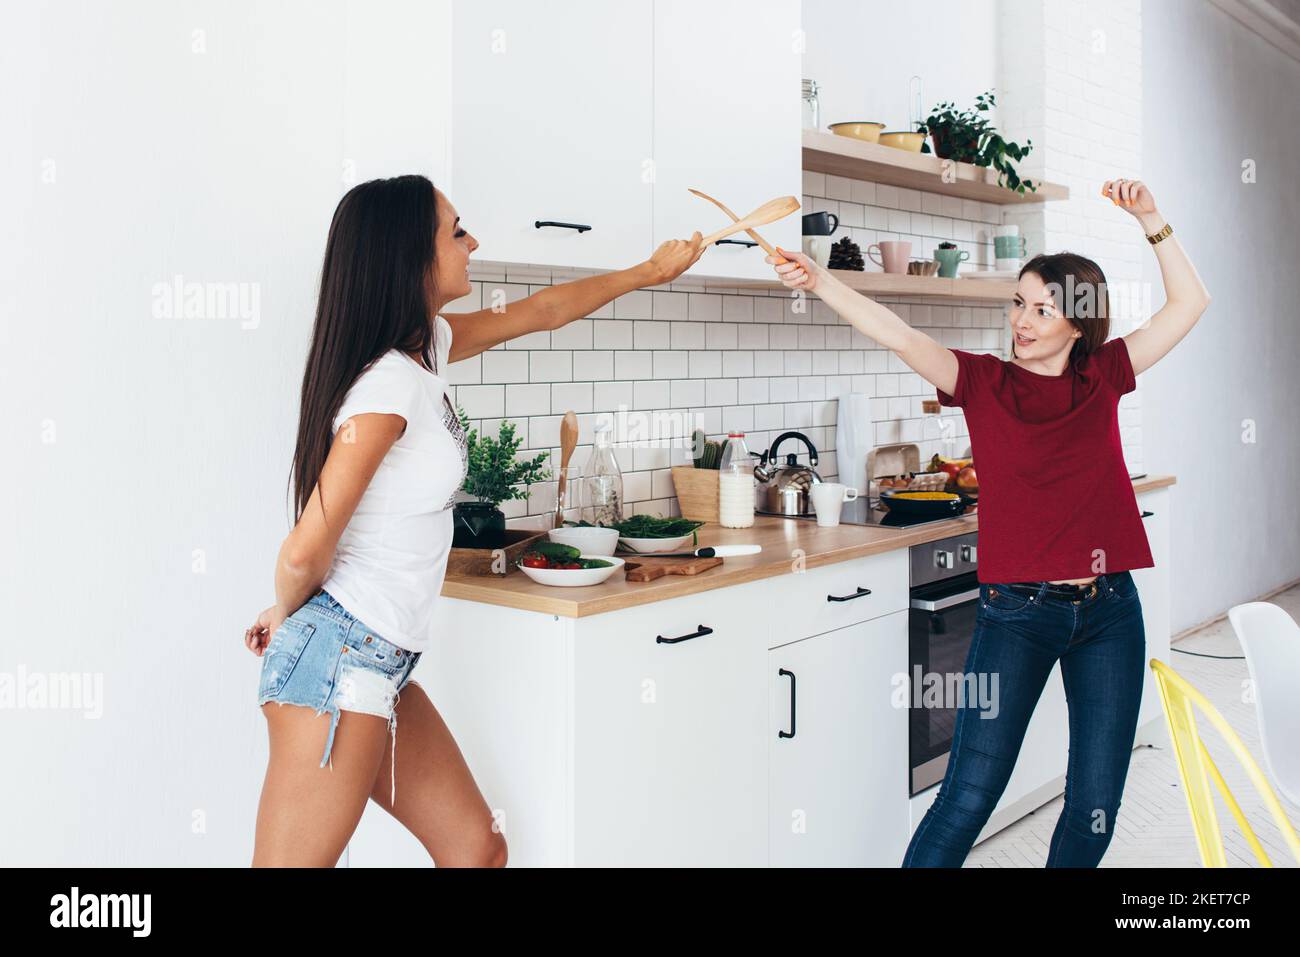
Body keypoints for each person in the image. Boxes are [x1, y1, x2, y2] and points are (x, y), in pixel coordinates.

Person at [244, 174, 705, 867]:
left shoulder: (427, 349)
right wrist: (289, 611)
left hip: (382, 659)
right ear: (409, 254)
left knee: (476, 849)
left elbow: (544, 310)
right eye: (456, 230)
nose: (473, 241)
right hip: (339, 660)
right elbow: (306, 545)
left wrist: (649, 271)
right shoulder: (388, 388)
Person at [769, 178, 1210, 867]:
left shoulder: (1104, 374)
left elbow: (1191, 303)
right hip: (1017, 610)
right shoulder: (983, 381)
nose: (1023, 319)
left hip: (1110, 608)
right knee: (970, 794)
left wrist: (1152, 217)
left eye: (1042, 307)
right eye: (1018, 303)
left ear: (1078, 321)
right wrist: (822, 281)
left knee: (1096, 804)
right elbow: (900, 333)